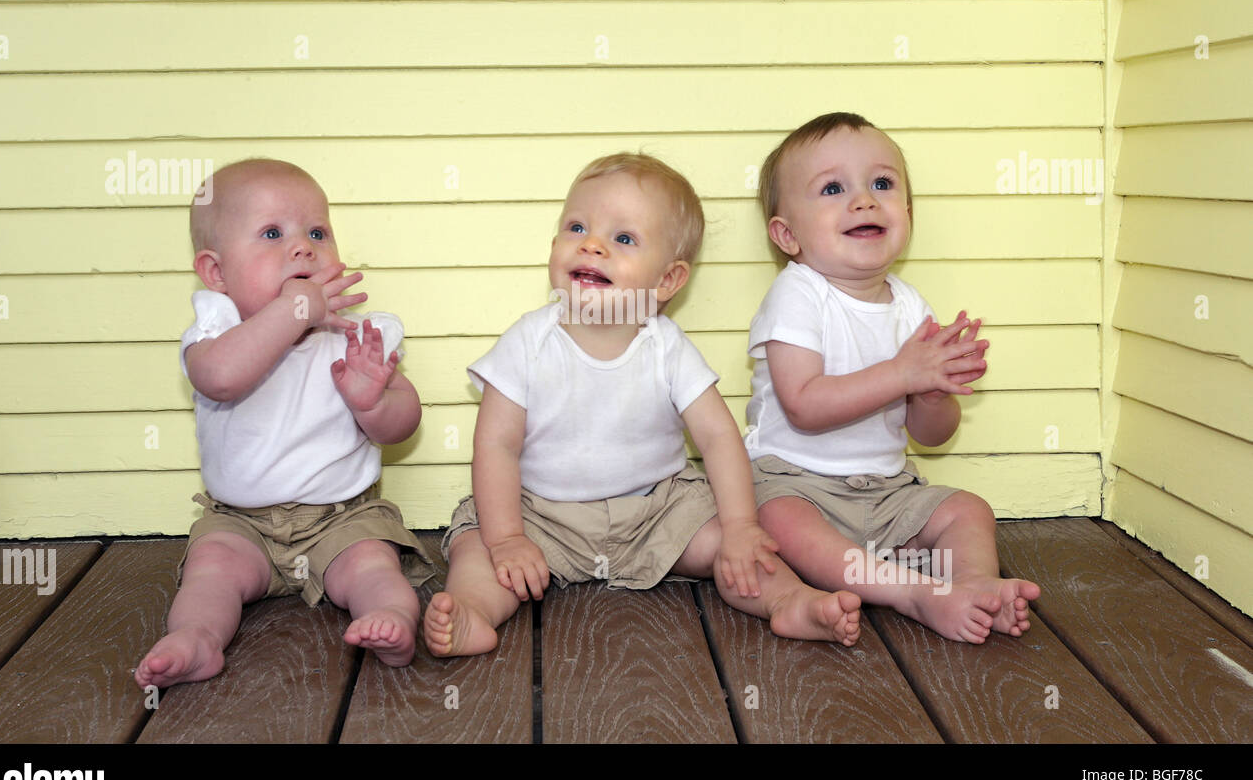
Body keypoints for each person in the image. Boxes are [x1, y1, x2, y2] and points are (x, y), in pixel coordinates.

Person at [424, 153, 861, 657]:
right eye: (577, 227)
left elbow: (718, 437)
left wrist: (740, 526)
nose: (591, 244)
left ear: (669, 281)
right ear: (554, 247)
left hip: (656, 512)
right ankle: (472, 612)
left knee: (735, 548)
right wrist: (506, 539)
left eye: (623, 238)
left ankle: (790, 601)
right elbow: (497, 445)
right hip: (540, 517)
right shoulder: (528, 342)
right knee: (477, 547)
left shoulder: (666, 347)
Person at [135, 159, 433, 689]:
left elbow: (403, 425)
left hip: (341, 518)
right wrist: (295, 309)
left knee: (372, 566)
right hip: (241, 524)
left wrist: (374, 401)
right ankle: (199, 638)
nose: (302, 246)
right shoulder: (218, 332)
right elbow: (220, 379)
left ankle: (394, 620)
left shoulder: (356, 336)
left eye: (317, 232)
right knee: (211, 573)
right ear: (217, 273)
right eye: (273, 234)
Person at [746, 113, 1040, 643]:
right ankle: (914, 594)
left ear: (906, 212)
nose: (863, 200)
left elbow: (931, 436)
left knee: (967, 510)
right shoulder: (798, 295)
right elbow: (804, 407)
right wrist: (903, 370)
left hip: (886, 493)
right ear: (787, 235)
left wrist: (931, 390)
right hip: (797, 483)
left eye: (882, 184)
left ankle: (974, 586)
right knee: (777, 524)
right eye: (833, 188)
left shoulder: (910, 308)